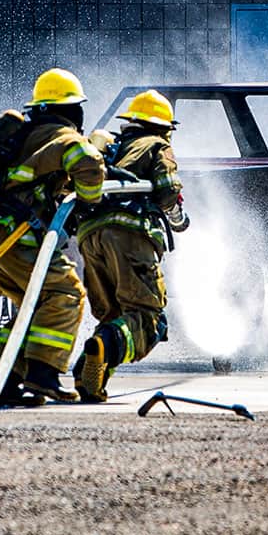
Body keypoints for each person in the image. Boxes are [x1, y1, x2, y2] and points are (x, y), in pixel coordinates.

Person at [0, 68, 105, 407]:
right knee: (66, 292)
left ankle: (5, 381)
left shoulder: (25, 134)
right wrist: (90, 200)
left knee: (32, 302)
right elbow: (89, 163)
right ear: (72, 109)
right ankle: (44, 375)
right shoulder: (61, 135)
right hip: (12, 231)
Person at [70, 89, 190, 403]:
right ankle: (103, 349)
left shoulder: (111, 147)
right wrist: (180, 220)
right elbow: (166, 190)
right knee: (148, 317)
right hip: (129, 234)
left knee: (114, 316)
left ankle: (88, 381)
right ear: (163, 127)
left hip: (90, 237)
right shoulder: (157, 145)